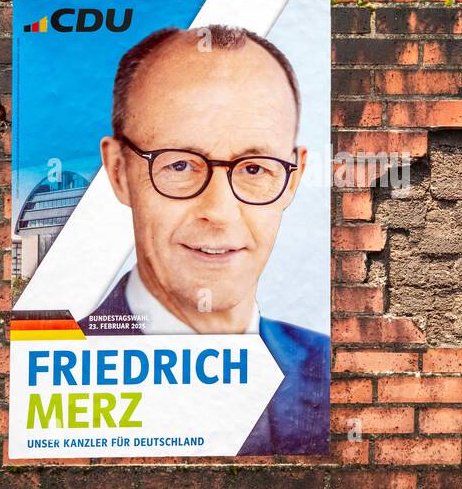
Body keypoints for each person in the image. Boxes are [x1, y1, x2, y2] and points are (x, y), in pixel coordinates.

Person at [89, 24, 329, 455]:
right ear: (119, 172)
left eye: (255, 169)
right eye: (179, 165)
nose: (218, 212)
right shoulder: (52, 359)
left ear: (294, 179)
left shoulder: (333, 369)